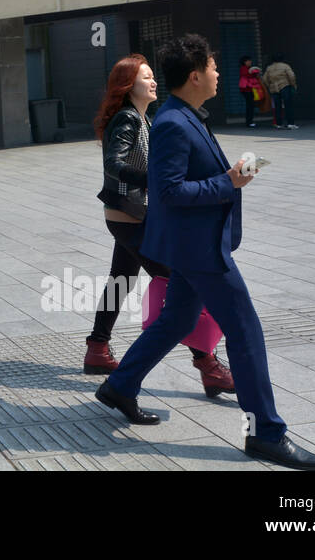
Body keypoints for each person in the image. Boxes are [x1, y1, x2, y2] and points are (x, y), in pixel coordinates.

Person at [94, 33, 315, 470]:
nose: (219, 73)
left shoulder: (186, 115)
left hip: (193, 245)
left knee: (178, 320)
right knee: (245, 331)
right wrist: (229, 183)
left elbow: (183, 179)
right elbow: (168, 190)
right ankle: (266, 434)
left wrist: (228, 174)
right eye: (214, 67)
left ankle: (120, 384)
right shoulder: (172, 122)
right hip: (200, 248)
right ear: (195, 74)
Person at [84, 54, 236, 399]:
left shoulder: (143, 117)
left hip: (127, 218)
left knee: (120, 281)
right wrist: (153, 179)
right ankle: (208, 365)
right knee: (182, 283)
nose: (153, 82)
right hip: (132, 219)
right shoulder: (127, 119)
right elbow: (115, 163)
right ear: (128, 85)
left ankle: (97, 349)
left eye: (153, 76)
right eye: (146, 77)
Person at [263, 54, 298, 129]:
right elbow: (291, 76)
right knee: (288, 105)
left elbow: (265, 79)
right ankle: (290, 123)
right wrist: (293, 84)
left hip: (274, 88)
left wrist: (270, 85)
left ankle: (278, 124)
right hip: (285, 86)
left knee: (277, 106)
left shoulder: (269, 68)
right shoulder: (285, 66)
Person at [238, 55, 257, 127]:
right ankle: (249, 122)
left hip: (247, 89)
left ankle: (249, 121)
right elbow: (248, 75)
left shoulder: (247, 68)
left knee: (250, 105)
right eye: (248, 61)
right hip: (246, 89)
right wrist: (254, 72)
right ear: (244, 62)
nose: (250, 62)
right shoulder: (244, 69)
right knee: (250, 105)